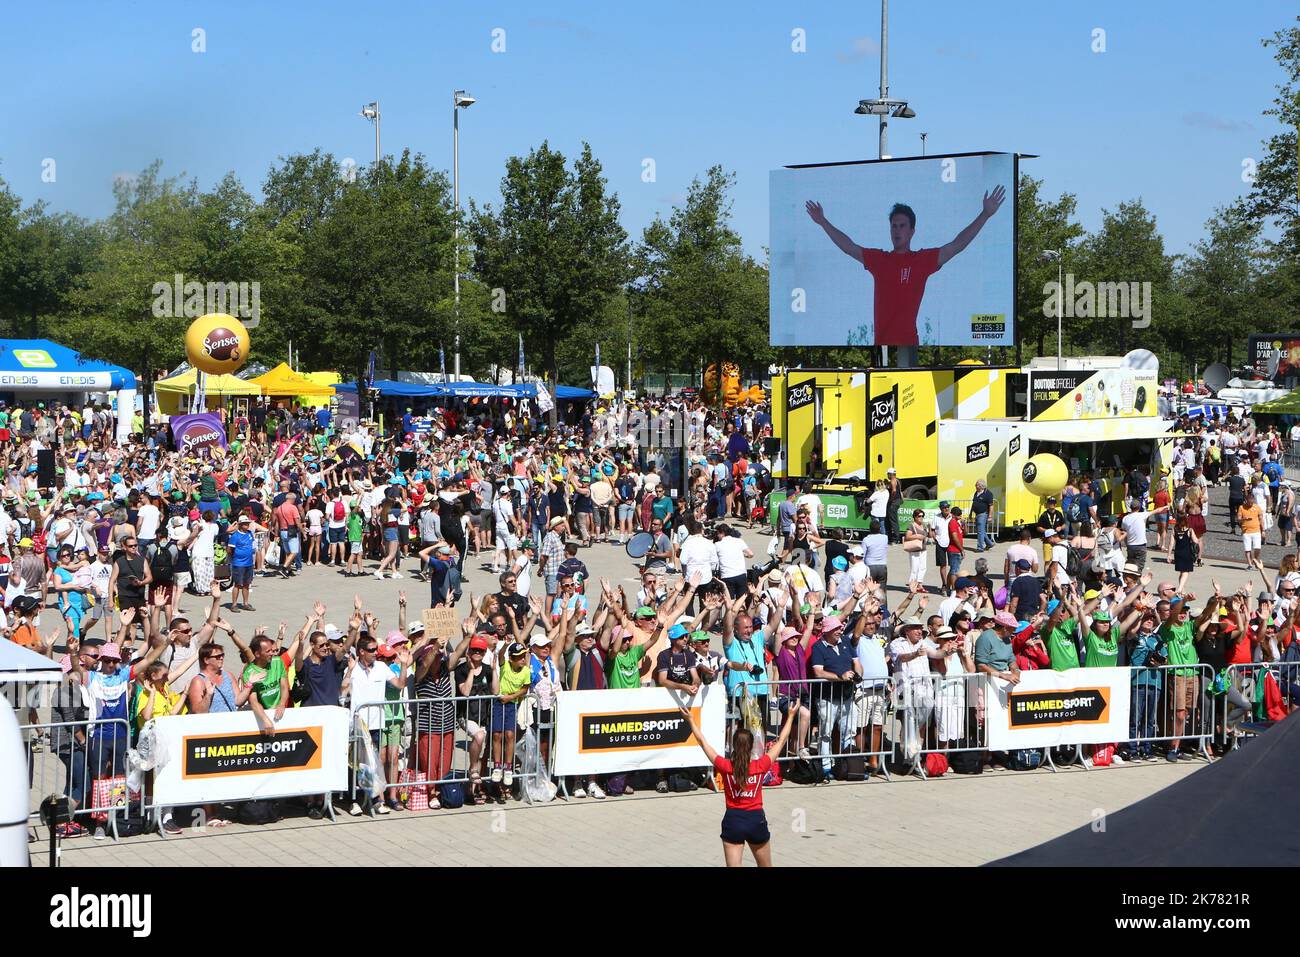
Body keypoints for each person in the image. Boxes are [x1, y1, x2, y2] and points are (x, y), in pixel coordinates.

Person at [804, 187, 1006, 345]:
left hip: (910, 343)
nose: (897, 230)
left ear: (912, 231)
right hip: (880, 344)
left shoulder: (921, 261)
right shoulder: (879, 260)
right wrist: (822, 221)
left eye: (902, 226)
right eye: (893, 226)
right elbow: (849, 247)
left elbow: (956, 245)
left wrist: (985, 215)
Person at [678, 701, 796, 867]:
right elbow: (782, 741)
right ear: (751, 747)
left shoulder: (725, 766)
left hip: (733, 820)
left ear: (733, 745)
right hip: (756, 820)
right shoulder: (760, 765)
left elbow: (702, 742)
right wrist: (790, 715)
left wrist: (691, 720)